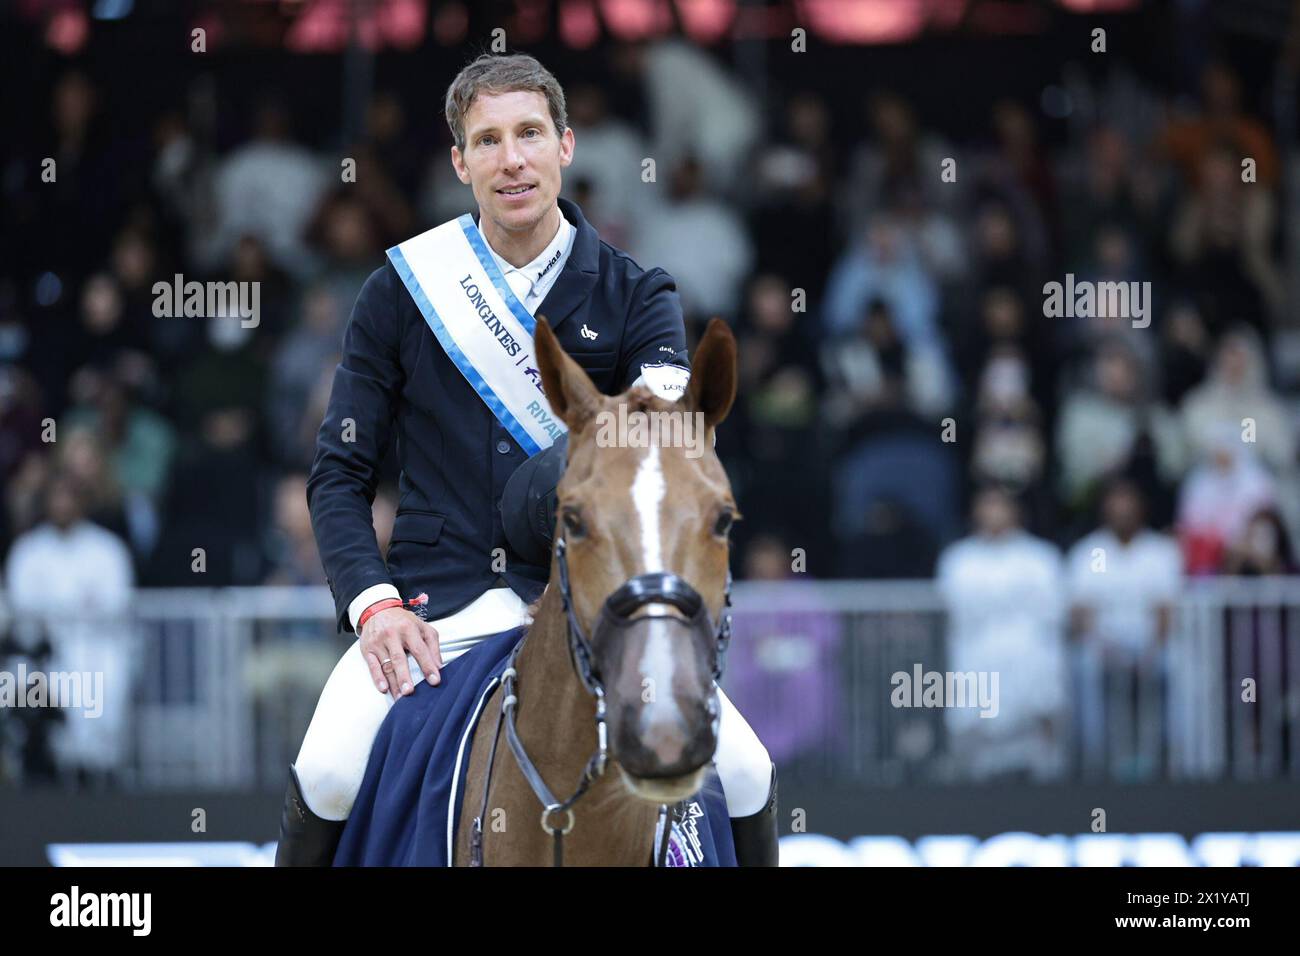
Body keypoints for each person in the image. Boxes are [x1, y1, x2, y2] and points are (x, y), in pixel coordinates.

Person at [278, 53, 778, 866]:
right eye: (488, 141)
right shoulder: (403, 291)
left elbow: (660, 433)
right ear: (460, 161)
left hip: (595, 610)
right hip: (439, 615)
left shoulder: (637, 293)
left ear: (566, 145)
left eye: (530, 135)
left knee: (749, 770)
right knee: (329, 767)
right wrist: (377, 607)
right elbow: (340, 473)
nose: (511, 159)